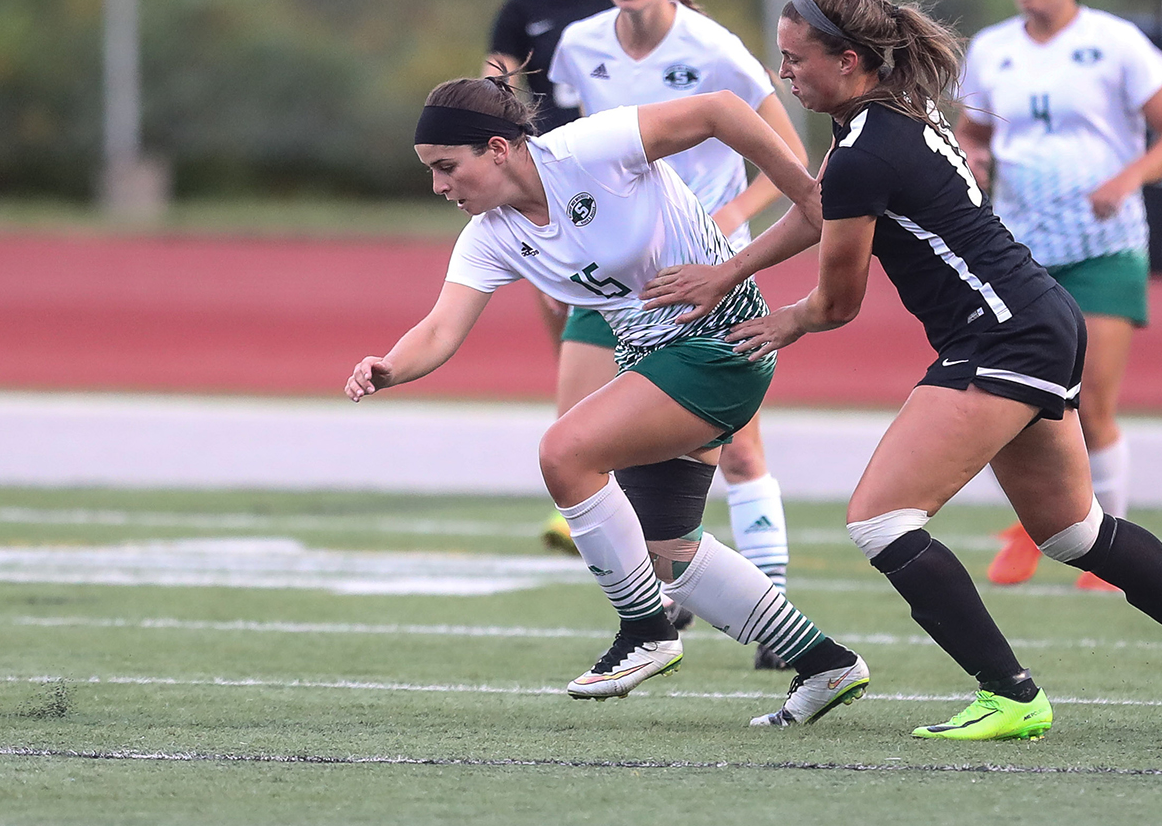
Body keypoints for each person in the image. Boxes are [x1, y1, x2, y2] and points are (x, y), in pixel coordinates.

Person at [639, 0, 1162, 739]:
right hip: (1037, 318)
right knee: (1074, 533)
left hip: (1001, 334)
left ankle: (1009, 694)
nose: (783, 73)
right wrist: (726, 271)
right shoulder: (888, 116)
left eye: (794, 58)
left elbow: (838, 302)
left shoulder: (865, 149)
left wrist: (783, 321)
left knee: (881, 520)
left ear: (848, 60)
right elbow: (820, 210)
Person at [344, 74, 869, 725]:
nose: (438, 186)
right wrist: (389, 368)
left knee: (563, 452)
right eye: (430, 171)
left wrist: (805, 193)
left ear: (498, 149)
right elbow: (439, 330)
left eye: (446, 167)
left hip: (721, 344)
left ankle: (645, 631)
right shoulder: (490, 233)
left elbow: (719, 108)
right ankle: (825, 663)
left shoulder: (587, 150)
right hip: (654, 361)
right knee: (669, 552)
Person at [544, 0, 810, 667]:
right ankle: (654, 610)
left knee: (740, 452)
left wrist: (732, 219)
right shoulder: (578, 45)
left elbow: (790, 157)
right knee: (580, 440)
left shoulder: (714, 48)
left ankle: (771, 604)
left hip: (704, 276)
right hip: (613, 275)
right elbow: (568, 153)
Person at [955, 0, 1162, 592]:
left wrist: (1128, 178)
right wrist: (973, 156)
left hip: (1103, 249)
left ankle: (1109, 549)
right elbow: (972, 132)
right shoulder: (993, 49)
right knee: (1013, 401)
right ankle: (1039, 521)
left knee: (1089, 402)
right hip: (1017, 253)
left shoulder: (1115, 42)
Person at [486, 0, 617, 354]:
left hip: (625, 172)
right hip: (555, 182)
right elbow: (493, 94)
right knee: (568, 332)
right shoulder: (522, 11)